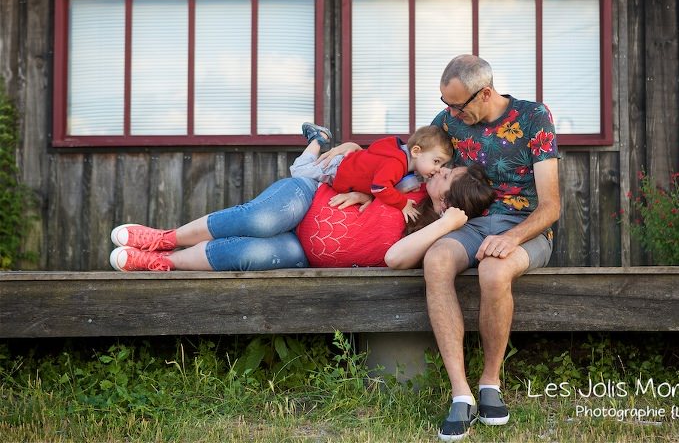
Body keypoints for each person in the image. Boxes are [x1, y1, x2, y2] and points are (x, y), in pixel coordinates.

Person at [425, 54, 561, 441]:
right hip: (471, 225)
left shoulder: (534, 117)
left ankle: (490, 382)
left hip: (526, 228)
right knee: (436, 261)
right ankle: (461, 394)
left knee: (494, 269)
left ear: (485, 93)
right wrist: (353, 154)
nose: (450, 113)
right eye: (445, 104)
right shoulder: (450, 121)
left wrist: (511, 238)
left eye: (457, 105)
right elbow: (414, 153)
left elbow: (551, 206)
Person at [108, 158, 495, 273]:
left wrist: (446, 223)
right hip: (309, 198)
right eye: (444, 168)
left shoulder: (436, 232)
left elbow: (395, 258)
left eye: (447, 177)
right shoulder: (412, 182)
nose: (440, 171)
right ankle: (165, 237)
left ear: (451, 203)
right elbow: (370, 159)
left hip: (305, 251)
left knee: (247, 255)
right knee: (259, 220)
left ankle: (162, 263)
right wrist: (362, 187)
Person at [290, 123, 453, 222]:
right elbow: (380, 188)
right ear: (416, 151)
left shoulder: (401, 157)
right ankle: (318, 139)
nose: (438, 169)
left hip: (347, 170)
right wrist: (402, 204)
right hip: (337, 168)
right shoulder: (396, 163)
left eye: (442, 164)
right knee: (298, 171)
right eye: (436, 161)